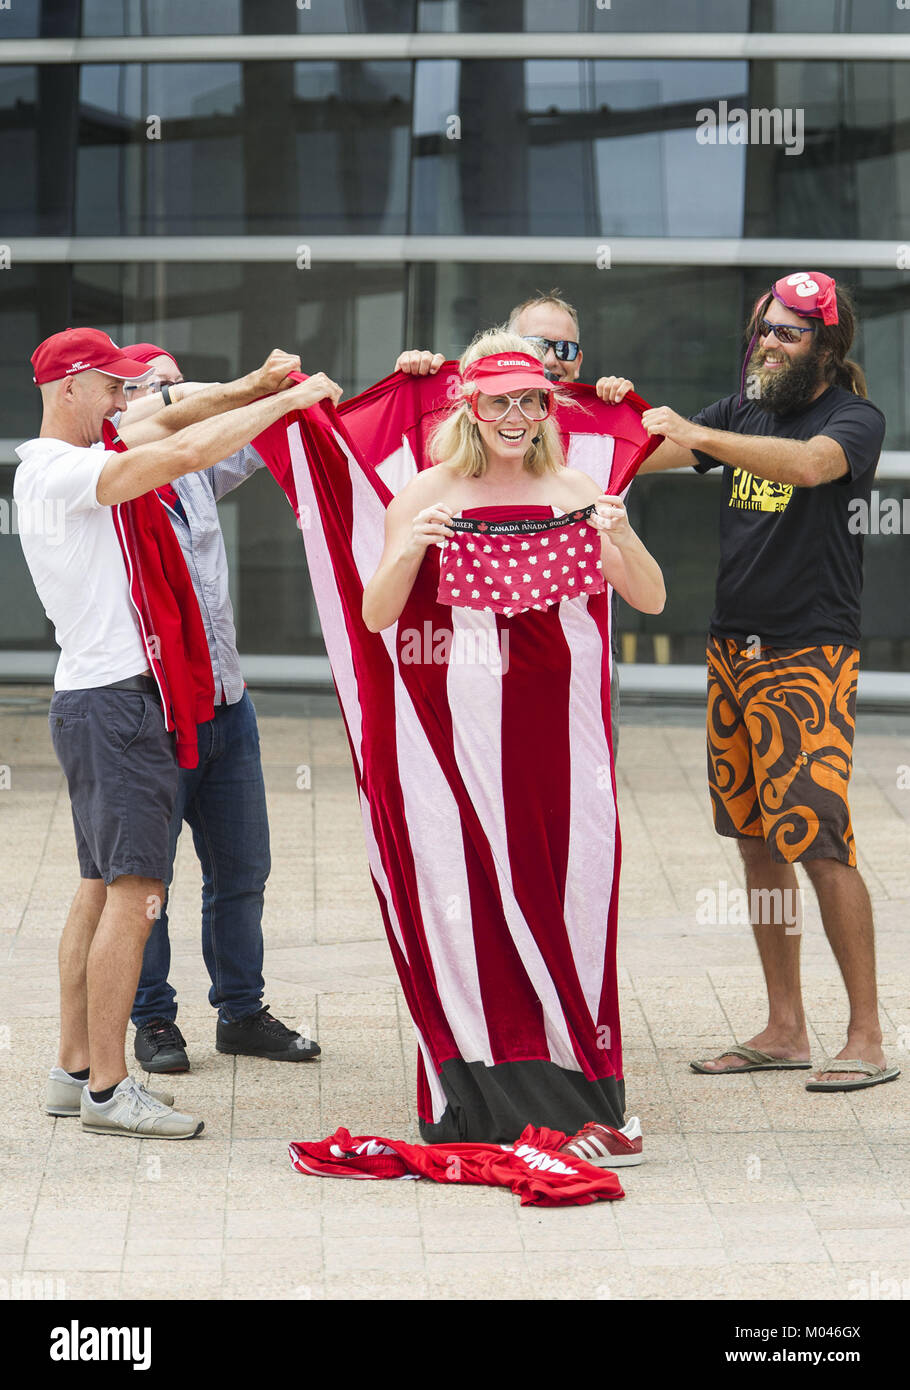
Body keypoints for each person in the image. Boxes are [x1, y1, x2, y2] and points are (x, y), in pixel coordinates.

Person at [15, 326, 339, 1138]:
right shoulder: (60, 469)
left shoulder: (96, 441)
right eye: (113, 386)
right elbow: (173, 454)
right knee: (138, 894)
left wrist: (252, 385)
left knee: (98, 888)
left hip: (104, 703)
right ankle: (107, 1092)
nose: (128, 399)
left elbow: (175, 413)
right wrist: (286, 405)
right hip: (119, 704)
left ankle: (71, 1069)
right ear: (69, 389)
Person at [360, 327, 664, 1156]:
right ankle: (481, 1092)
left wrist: (621, 534)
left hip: (564, 741)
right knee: (471, 903)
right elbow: (378, 614)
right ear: (471, 405)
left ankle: (578, 1081)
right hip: (459, 742)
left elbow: (652, 598)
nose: (520, 415)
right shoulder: (426, 490)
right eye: (502, 401)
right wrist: (413, 547)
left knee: (570, 895)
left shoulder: (575, 484)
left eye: (532, 400)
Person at [628, 271, 898, 1092]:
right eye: (765, 330)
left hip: (807, 655)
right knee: (755, 840)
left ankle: (867, 1037)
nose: (770, 343)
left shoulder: (850, 419)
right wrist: (574, 398)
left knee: (819, 840)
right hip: (731, 653)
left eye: (789, 333)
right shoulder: (740, 410)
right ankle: (785, 1028)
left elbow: (811, 468)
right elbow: (643, 452)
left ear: (826, 345)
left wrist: (702, 435)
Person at [118, 342, 320, 1074]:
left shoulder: (197, 468)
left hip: (229, 707)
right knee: (148, 883)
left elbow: (267, 438)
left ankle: (241, 1012)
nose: (182, 398)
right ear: (126, 404)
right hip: (156, 712)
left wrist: (293, 393)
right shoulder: (109, 479)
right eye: (161, 389)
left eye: (183, 385)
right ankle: (153, 1020)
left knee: (242, 870)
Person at [394, 290, 634, 751]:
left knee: (580, 780)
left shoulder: (606, 427)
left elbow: (682, 443)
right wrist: (414, 379)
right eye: (535, 343)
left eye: (563, 348)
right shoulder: (466, 412)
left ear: (578, 361)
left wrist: (631, 411)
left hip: (576, 647)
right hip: (472, 656)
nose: (549, 357)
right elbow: (417, 420)